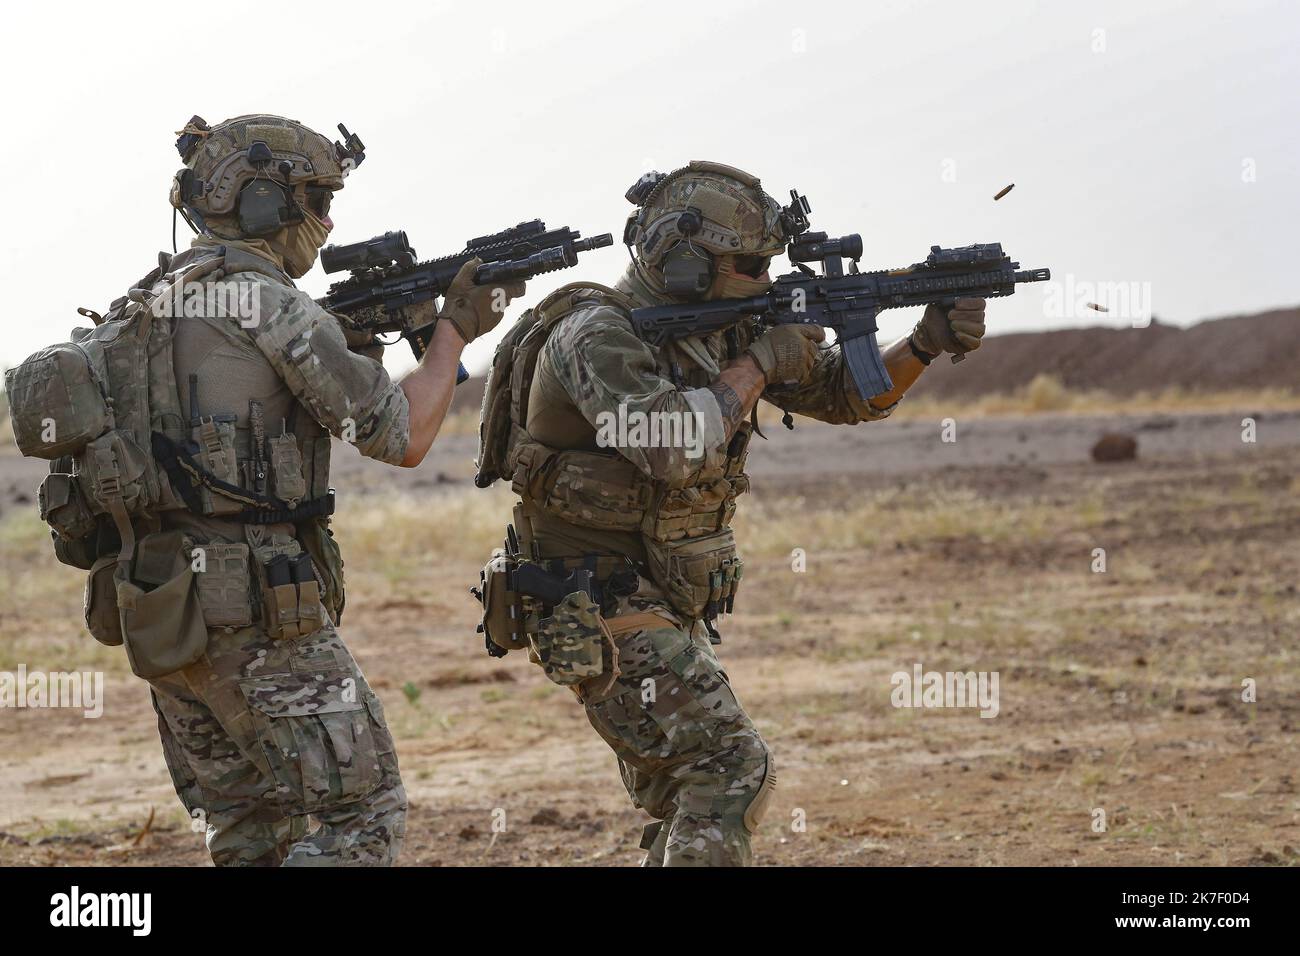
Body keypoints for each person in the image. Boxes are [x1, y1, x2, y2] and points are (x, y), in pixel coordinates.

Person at [6, 113, 520, 865]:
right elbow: (401, 436)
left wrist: (364, 339)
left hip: (160, 609)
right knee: (362, 822)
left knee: (251, 831)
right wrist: (455, 334)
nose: (327, 219)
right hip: (254, 612)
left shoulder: (146, 302)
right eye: (314, 199)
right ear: (258, 202)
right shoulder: (269, 302)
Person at [473, 161, 986, 865]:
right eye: (749, 264)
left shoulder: (721, 327)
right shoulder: (596, 334)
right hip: (595, 597)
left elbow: (844, 395)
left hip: (665, 595)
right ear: (681, 260)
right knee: (728, 770)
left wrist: (925, 343)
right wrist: (759, 365)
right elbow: (670, 448)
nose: (766, 281)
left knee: (688, 791)